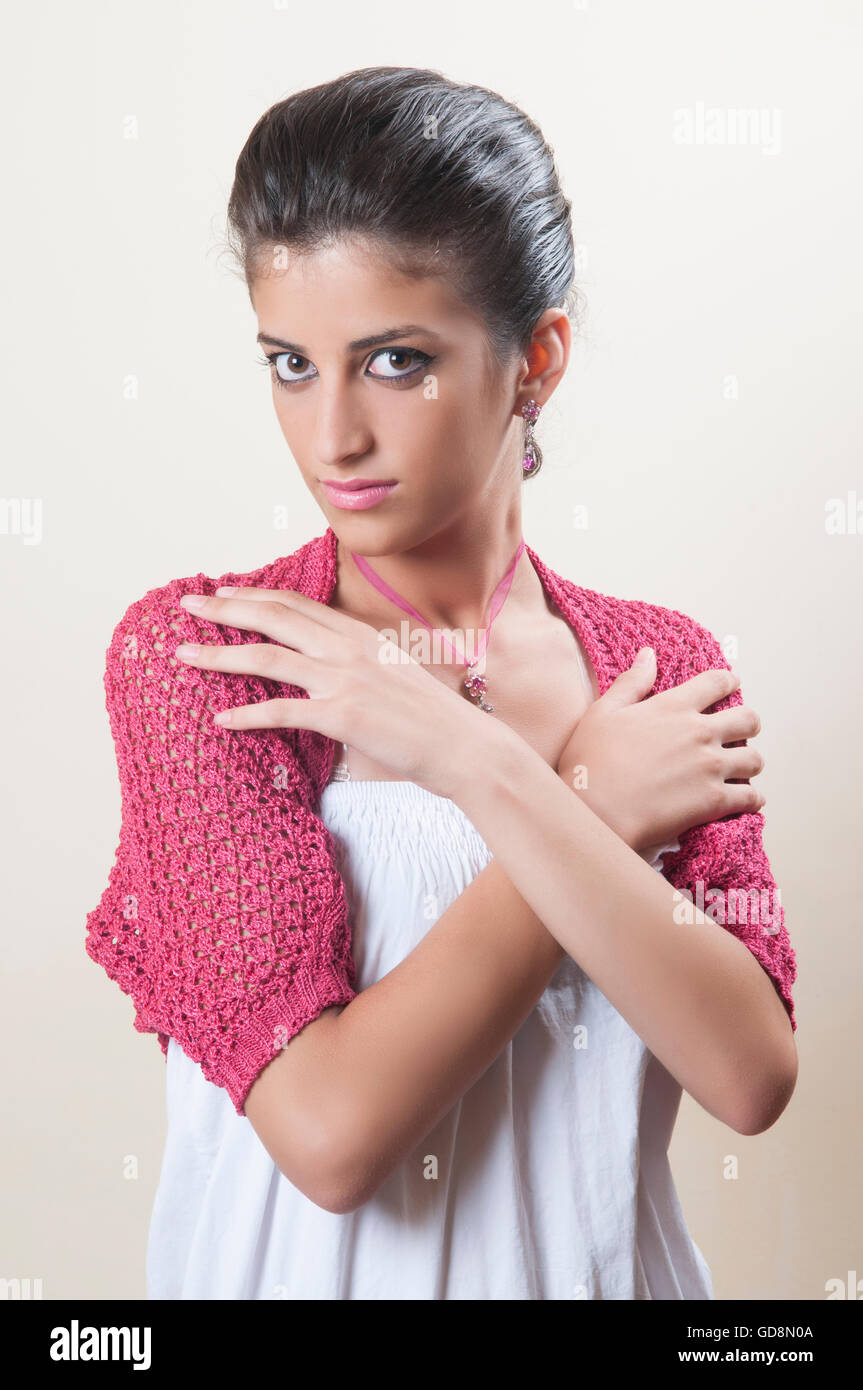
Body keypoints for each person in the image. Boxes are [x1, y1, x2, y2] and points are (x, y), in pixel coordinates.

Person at [85, 66, 797, 1300]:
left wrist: (470, 758)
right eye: (290, 364)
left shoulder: (655, 666)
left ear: (536, 358)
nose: (332, 436)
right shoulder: (210, 659)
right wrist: (581, 792)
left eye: (395, 360)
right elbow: (329, 1135)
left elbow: (746, 1073)